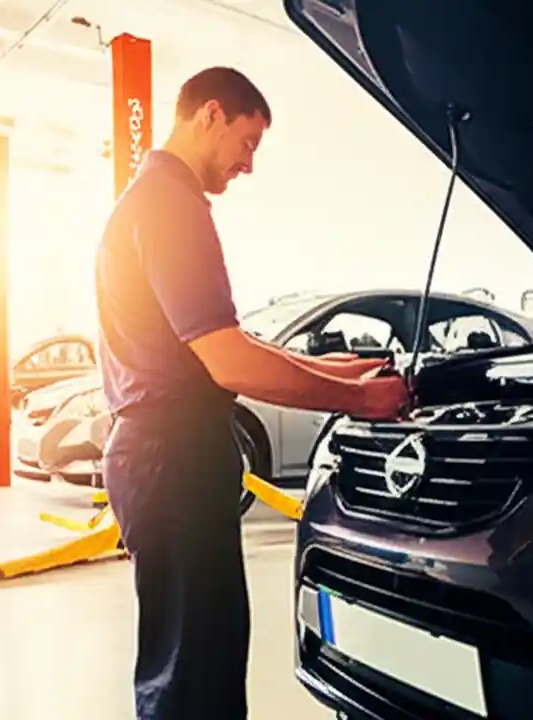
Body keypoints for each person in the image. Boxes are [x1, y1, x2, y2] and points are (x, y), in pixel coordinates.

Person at [94, 67, 410, 719]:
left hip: (168, 458)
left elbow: (222, 336)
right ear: (210, 114)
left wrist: (342, 371)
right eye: (248, 142)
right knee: (192, 667)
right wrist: (358, 401)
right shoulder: (168, 205)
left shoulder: (156, 198)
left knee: (192, 652)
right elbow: (228, 361)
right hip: (172, 458)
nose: (248, 164)